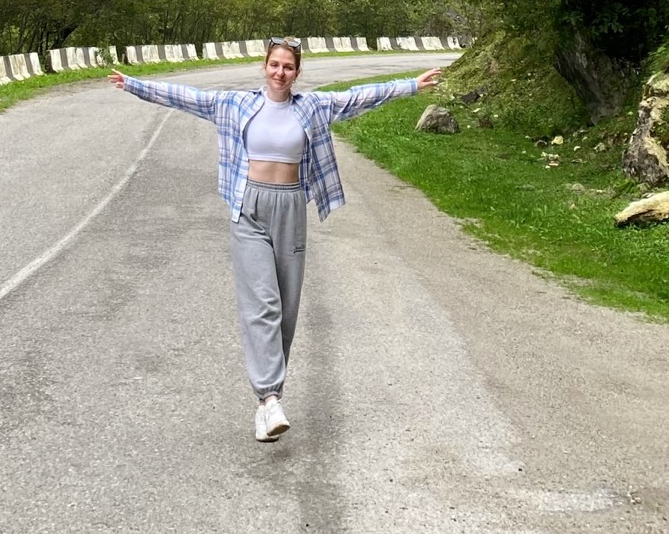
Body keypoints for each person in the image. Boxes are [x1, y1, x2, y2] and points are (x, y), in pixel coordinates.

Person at [109, 38, 440, 442]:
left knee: (285, 308)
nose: (280, 72)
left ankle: (270, 400)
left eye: (287, 67)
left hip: (291, 209)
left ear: (297, 73)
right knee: (262, 303)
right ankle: (268, 399)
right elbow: (185, 97)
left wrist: (411, 85)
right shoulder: (235, 105)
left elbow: (358, 97)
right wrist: (134, 83)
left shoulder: (312, 108)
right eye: (274, 65)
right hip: (248, 208)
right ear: (263, 67)